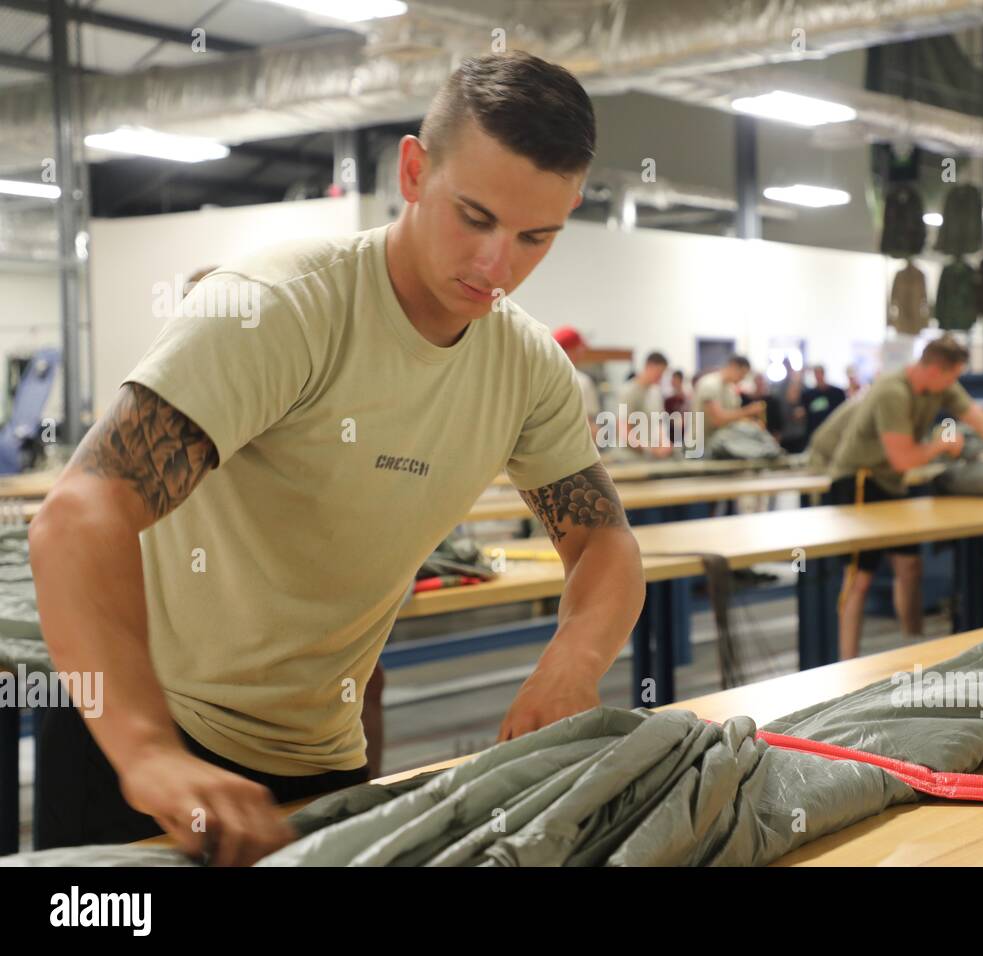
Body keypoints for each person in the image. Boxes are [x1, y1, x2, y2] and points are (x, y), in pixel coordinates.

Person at [28, 51, 645, 865]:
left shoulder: (526, 367)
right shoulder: (279, 309)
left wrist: (573, 661)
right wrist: (147, 752)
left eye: (536, 236)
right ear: (415, 171)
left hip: (320, 756)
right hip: (145, 740)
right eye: (475, 217)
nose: (499, 266)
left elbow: (604, 543)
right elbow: (77, 517)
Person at [828, 337, 983, 658]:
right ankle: (845, 663)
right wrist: (940, 445)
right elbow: (904, 459)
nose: (955, 383)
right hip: (858, 482)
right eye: (952, 375)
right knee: (859, 580)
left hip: (891, 485)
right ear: (936, 368)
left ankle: (914, 648)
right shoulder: (891, 391)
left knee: (910, 568)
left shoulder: (942, 386)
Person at [691, 354, 765, 455]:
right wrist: (748, 411)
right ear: (733, 366)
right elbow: (717, 420)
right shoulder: (709, 384)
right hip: (703, 443)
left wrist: (751, 422)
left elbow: (733, 417)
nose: (742, 379)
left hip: (722, 441)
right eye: (742, 374)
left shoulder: (730, 390)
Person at [615, 351, 672, 457]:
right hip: (630, 456)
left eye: (662, 374)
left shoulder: (656, 392)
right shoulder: (628, 391)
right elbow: (624, 430)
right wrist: (649, 450)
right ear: (648, 366)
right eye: (658, 372)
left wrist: (664, 442)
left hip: (651, 456)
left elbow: (658, 423)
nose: (660, 377)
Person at [554, 325, 601, 438]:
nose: (583, 353)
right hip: (573, 449)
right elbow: (589, 425)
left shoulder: (542, 378)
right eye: (580, 348)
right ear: (570, 350)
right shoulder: (582, 381)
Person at [798, 364, 846, 436]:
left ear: (824, 374)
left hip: (834, 430)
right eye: (816, 373)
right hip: (815, 432)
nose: (818, 376)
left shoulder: (837, 393)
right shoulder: (808, 395)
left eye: (820, 373)